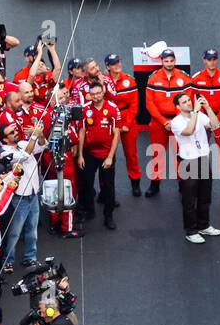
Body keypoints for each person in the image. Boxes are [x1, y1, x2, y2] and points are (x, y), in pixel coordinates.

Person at [170, 90, 220, 244]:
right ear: (178, 107)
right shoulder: (176, 121)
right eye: (184, 102)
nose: (188, 102)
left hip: (204, 159)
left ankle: (203, 225)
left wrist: (208, 108)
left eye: (189, 100)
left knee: (205, 196)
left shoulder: (200, 115)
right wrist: (195, 113)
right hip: (188, 163)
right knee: (189, 199)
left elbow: (216, 125)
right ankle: (191, 231)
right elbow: (189, 131)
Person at [0, 119, 44, 272]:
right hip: (19, 197)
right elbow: (25, 156)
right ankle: (7, 261)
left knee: (32, 229)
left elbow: (43, 145)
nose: (15, 132)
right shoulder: (5, 152)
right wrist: (34, 137)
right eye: (11, 132)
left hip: (33, 193)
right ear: (4, 139)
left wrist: (40, 134)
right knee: (15, 232)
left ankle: (30, 257)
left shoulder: (24, 143)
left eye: (15, 130)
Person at [189, 49, 220, 195]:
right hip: (202, 120)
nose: (212, 62)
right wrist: (205, 118)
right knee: (199, 150)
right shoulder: (196, 79)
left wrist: (217, 117)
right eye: (209, 59)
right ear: (204, 60)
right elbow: (194, 99)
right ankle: (200, 181)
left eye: (214, 59)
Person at [143, 47, 191, 198]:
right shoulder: (153, 78)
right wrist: (163, 121)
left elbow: (187, 102)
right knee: (157, 153)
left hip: (179, 121)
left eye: (171, 60)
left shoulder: (184, 78)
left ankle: (182, 183)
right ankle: (155, 183)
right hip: (159, 122)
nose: (169, 63)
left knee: (180, 154)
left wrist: (176, 121)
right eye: (166, 61)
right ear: (161, 61)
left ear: (175, 61)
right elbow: (150, 103)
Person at [75, 79, 121, 230]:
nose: (95, 96)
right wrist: (80, 155)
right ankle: (89, 210)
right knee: (87, 183)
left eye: (98, 93)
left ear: (103, 92)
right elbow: (81, 132)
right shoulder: (85, 109)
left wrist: (110, 157)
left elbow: (116, 134)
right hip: (89, 153)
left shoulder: (113, 109)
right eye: (92, 94)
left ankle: (109, 216)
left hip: (106, 153)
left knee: (108, 186)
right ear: (89, 95)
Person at [104, 53, 144, 196]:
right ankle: (107, 188)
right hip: (109, 119)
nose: (118, 65)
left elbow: (134, 105)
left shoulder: (129, 81)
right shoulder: (103, 82)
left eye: (118, 62)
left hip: (127, 118)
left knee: (131, 154)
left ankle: (135, 182)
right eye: (114, 63)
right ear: (108, 67)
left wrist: (126, 124)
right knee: (107, 154)